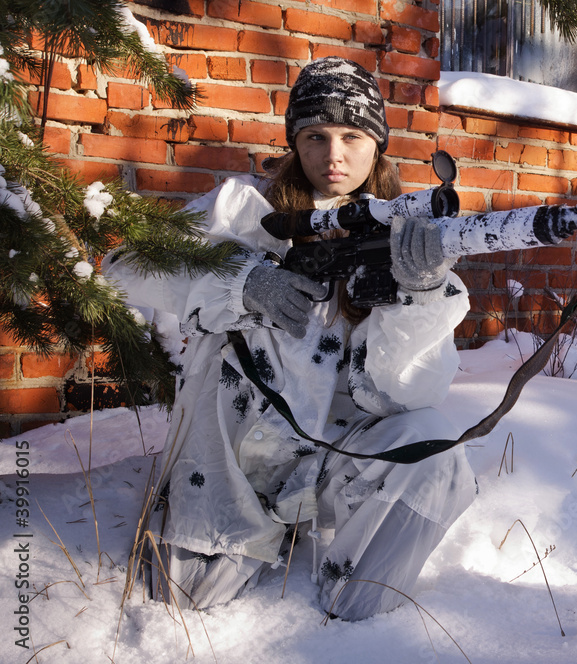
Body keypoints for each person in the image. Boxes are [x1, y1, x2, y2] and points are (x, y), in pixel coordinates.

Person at [105, 57, 477, 621]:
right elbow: (124, 265)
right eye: (315, 137)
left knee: (434, 453)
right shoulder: (242, 213)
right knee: (180, 612)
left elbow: (407, 397)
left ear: (377, 145)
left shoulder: (405, 240)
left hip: (324, 469)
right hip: (225, 468)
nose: (334, 155)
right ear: (294, 144)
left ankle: (354, 624)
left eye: (352, 136)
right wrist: (243, 281)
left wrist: (418, 296)